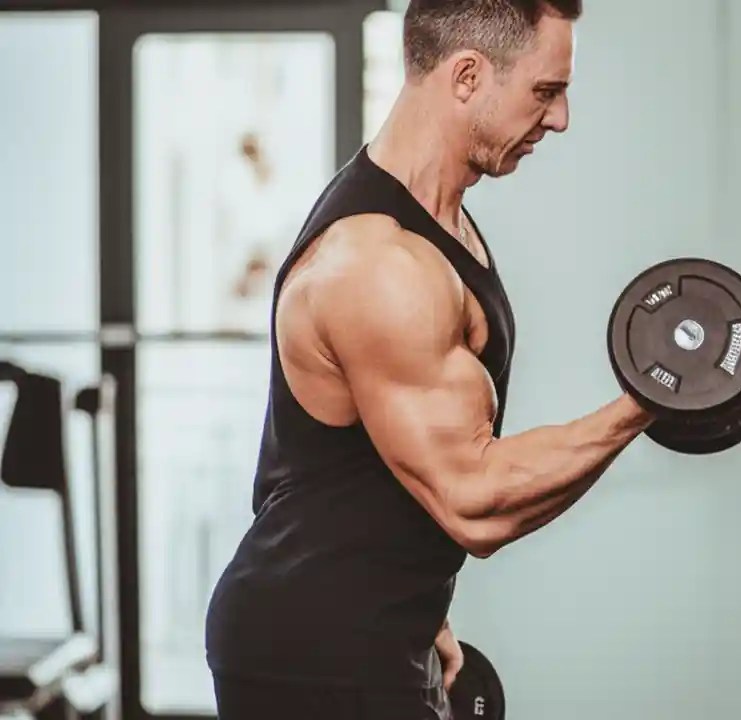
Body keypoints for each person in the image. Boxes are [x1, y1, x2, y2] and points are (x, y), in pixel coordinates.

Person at [204, 1, 654, 717]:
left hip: (373, 628)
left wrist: (420, 614)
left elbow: (358, 466)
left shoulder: (437, 216)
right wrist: (646, 404)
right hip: (309, 652)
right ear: (468, 75)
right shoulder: (379, 264)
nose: (561, 118)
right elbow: (473, 501)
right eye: (545, 91)